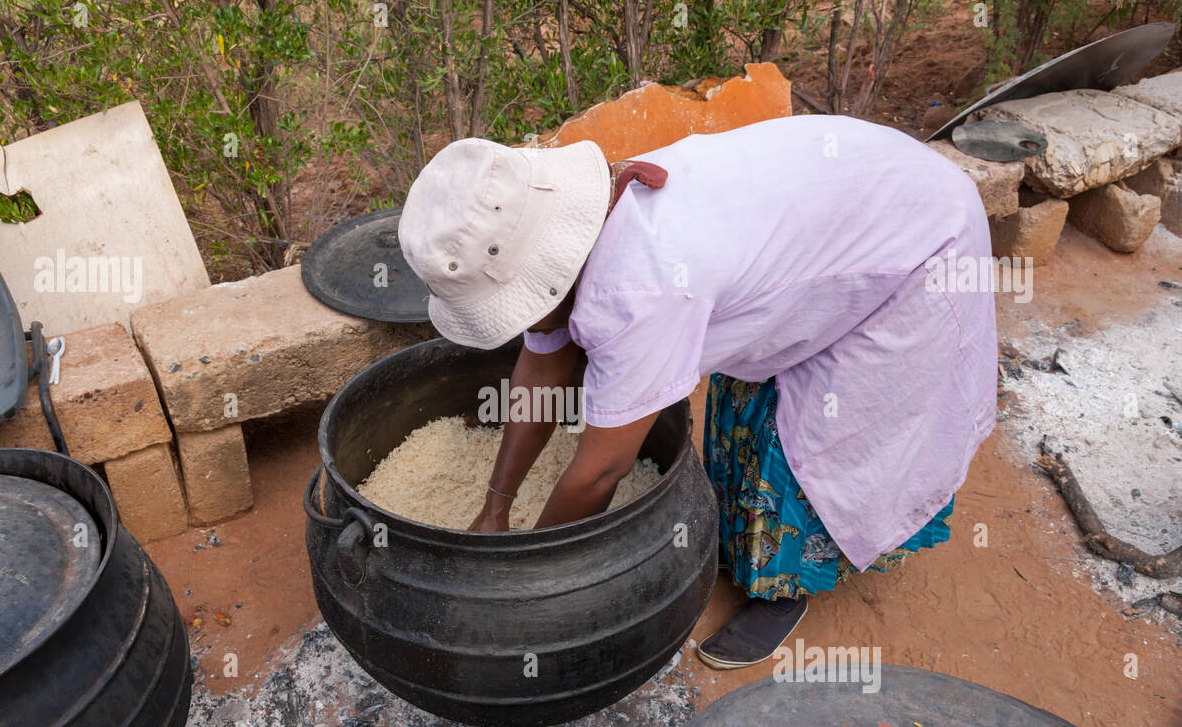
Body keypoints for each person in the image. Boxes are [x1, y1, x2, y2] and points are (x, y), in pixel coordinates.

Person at [397, 114, 996, 668]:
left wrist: (528, 579)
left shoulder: (639, 290)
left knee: (818, 437)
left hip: (918, 244)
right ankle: (757, 549)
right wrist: (496, 506)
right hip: (851, 197)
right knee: (749, 397)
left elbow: (601, 470)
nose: (526, 318)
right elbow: (541, 366)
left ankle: (782, 591)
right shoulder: (582, 221)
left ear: (549, 271)